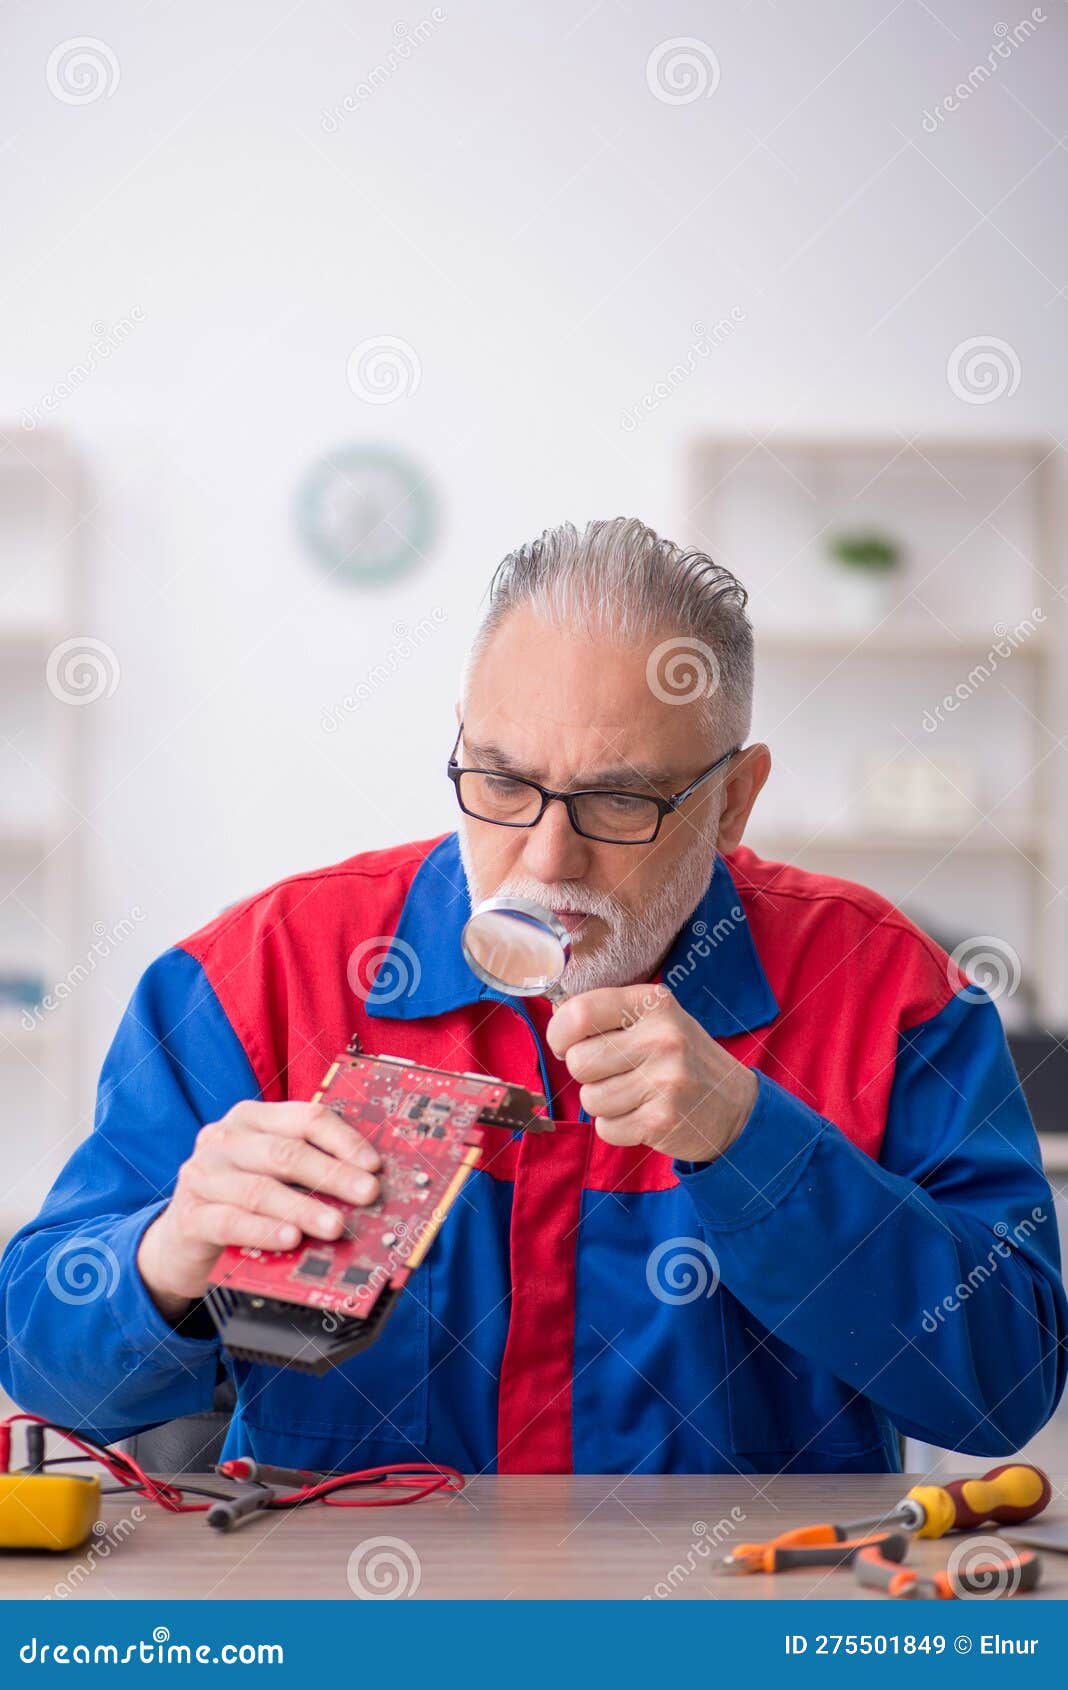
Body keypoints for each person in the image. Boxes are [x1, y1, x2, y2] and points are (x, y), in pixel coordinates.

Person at [1, 517, 1064, 1475]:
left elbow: (1005, 1387)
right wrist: (168, 1254)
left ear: (734, 799)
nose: (546, 858)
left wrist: (753, 1142)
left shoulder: (886, 990)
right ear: (462, 744)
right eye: (503, 782)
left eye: (617, 801)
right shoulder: (258, 976)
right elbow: (43, 1364)